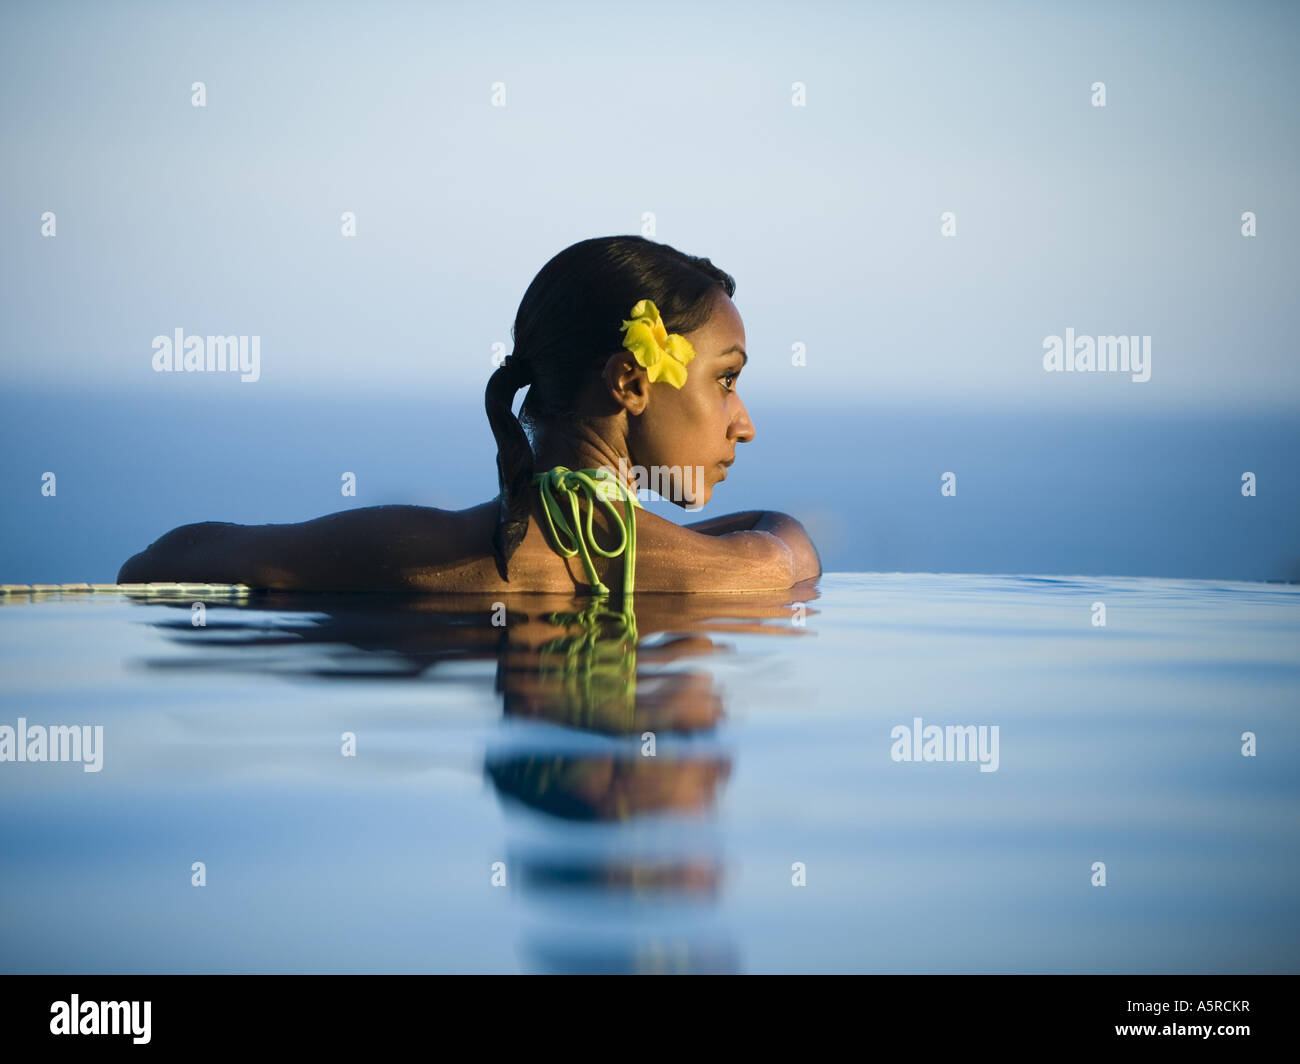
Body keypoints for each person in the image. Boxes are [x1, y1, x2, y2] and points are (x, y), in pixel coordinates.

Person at [116, 236, 821, 593]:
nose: (743, 422)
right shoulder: (732, 574)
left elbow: (159, 563)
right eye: (725, 380)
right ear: (630, 382)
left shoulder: (416, 549)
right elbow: (790, 544)